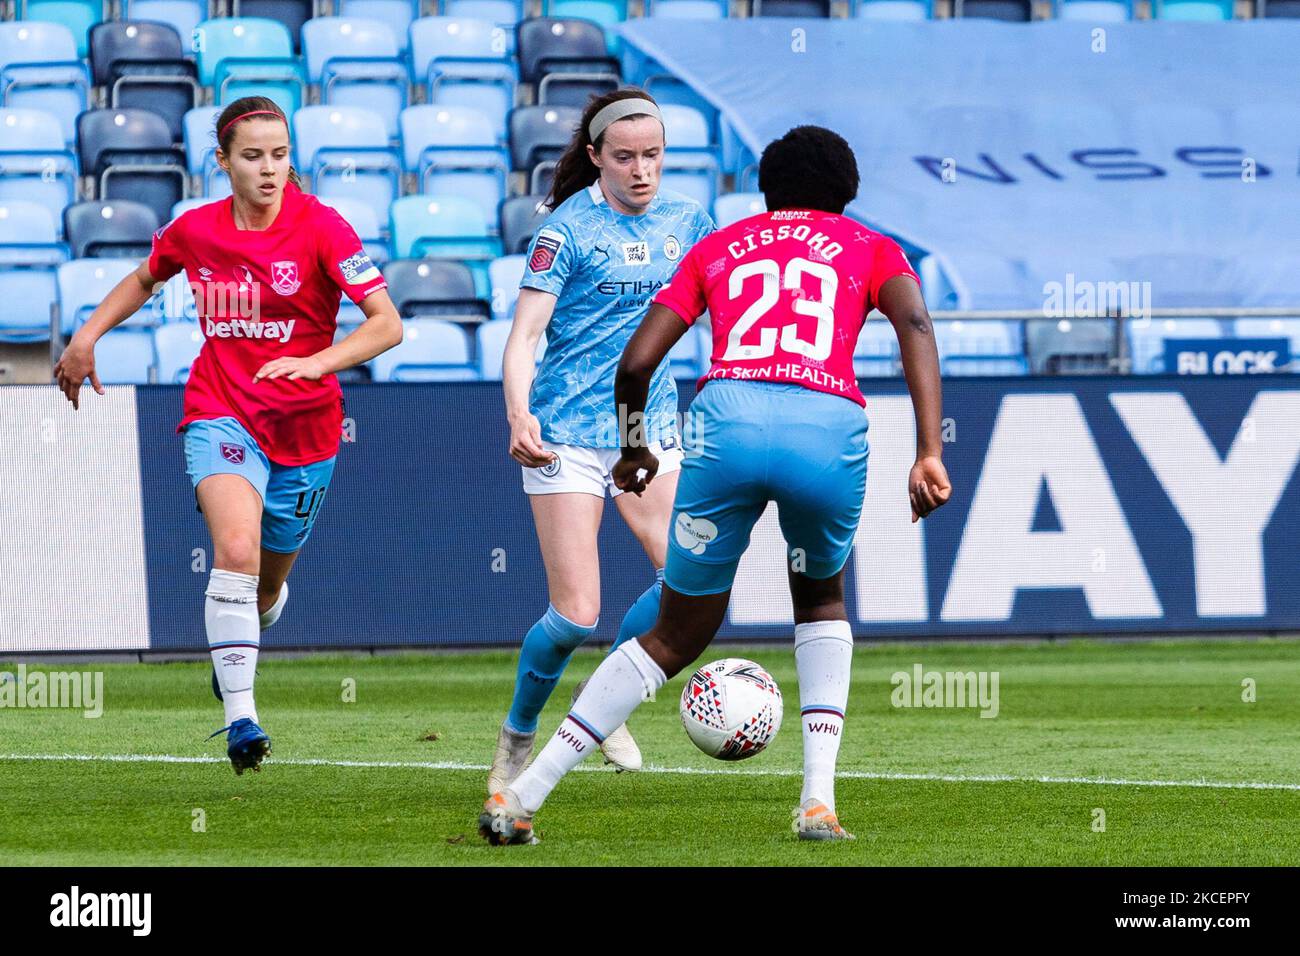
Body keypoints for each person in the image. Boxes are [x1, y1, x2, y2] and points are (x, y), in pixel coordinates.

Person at [481, 125, 952, 845]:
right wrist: (927, 450)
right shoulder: (871, 247)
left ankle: (523, 796)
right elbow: (914, 320)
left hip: (722, 425)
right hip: (824, 429)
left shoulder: (720, 245)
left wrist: (635, 446)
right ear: (847, 191)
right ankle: (818, 803)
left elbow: (636, 363)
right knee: (820, 599)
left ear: (767, 189)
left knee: (679, 627)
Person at [52, 96, 403, 774]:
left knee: (265, 591)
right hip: (222, 408)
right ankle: (242, 718)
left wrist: (316, 361)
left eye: (280, 154)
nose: (270, 170)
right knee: (233, 547)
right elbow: (144, 278)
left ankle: (241, 635)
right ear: (223, 162)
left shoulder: (324, 228)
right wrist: (87, 335)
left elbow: (386, 324)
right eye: (253, 157)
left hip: (307, 431)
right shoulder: (197, 230)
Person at [490, 88, 715, 793]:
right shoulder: (565, 232)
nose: (641, 170)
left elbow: (724, 317)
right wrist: (518, 415)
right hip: (566, 432)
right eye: (625, 158)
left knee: (683, 585)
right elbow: (525, 336)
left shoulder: (691, 220)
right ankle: (518, 738)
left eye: (653, 155)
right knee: (575, 613)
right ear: (594, 158)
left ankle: (606, 695)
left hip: (647, 430)